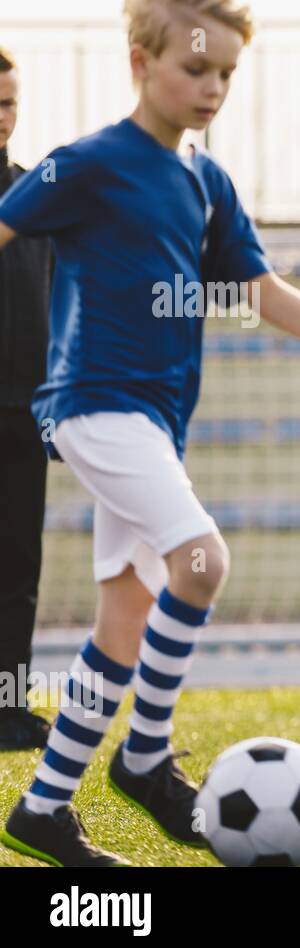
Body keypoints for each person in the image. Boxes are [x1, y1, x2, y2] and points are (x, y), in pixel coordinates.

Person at [0, 0, 300, 866]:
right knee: (203, 560)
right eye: (196, 69)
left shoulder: (205, 181)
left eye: (226, 72)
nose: (213, 86)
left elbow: (257, 283)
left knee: (122, 622)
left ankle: (43, 807)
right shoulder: (91, 164)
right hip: (91, 404)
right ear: (142, 64)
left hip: (154, 422)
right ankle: (145, 756)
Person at [0, 45, 55, 751]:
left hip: (25, 413)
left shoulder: (37, 199)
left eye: (9, 103)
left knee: (18, 568)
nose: (2, 117)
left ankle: (8, 710)